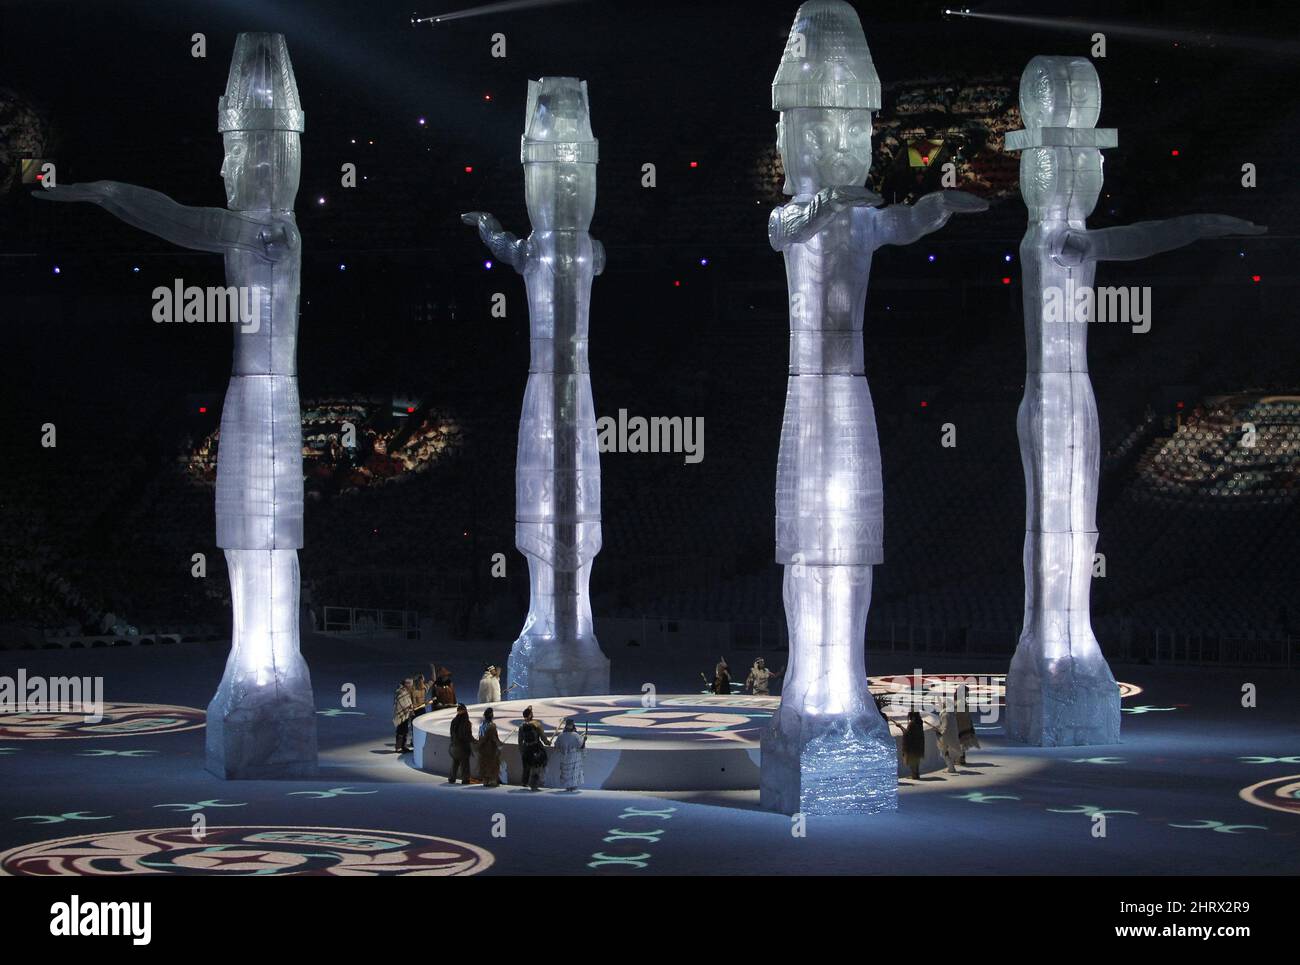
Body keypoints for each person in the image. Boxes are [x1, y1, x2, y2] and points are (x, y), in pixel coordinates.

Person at [518, 705, 551, 791]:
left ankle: (524, 783)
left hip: (526, 749)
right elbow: (543, 738)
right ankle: (534, 784)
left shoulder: (521, 726)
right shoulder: (536, 724)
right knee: (537, 766)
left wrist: (522, 751)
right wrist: (547, 742)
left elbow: (520, 741)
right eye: (531, 713)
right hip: (536, 748)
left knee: (526, 767)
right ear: (529, 715)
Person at [553, 718, 588, 792]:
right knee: (573, 774)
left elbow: (556, 746)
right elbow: (581, 746)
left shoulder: (561, 736)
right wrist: (584, 740)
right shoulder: (575, 735)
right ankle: (572, 789)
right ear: (572, 726)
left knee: (566, 774)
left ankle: (568, 788)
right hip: (574, 757)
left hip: (564, 758)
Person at [448, 703, 476, 784]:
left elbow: (451, 733)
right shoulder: (466, 723)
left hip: (453, 747)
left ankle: (452, 778)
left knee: (455, 763)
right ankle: (465, 779)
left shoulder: (454, 721)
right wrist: (476, 741)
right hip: (462, 748)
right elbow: (468, 736)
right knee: (465, 765)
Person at [476, 706, 504, 788]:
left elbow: (480, 737)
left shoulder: (481, 725)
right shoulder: (492, 726)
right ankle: (492, 781)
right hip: (490, 749)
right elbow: (494, 738)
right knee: (492, 764)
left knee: (484, 764)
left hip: (482, 748)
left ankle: (485, 780)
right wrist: (500, 744)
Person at [937, 707, 963, 774]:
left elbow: (945, 727)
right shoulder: (952, 714)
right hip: (953, 735)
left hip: (946, 736)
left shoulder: (945, 715)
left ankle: (951, 768)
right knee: (950, 751)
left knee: (944, 752)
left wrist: (939, 731)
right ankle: (951, 767)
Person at [392, 677, 415, 753]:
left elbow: (408, 702)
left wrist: (410, 707)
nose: (411, 686)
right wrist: (410, 707)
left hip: (406, 714)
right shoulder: (401, 692)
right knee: (401, 730)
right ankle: (398, 747)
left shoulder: (405, 691)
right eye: (411, 684)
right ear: (406, 684)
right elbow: (402, 703)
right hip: (402, 714)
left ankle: (403, 746)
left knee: (405, 730)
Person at [902, 710, 925, 780]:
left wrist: (900, 727)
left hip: (912, 746)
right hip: (919, 745)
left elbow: (907, 734)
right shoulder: (920, 722)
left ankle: (914, 775)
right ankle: (916, 774)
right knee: (916, 761)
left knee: (912, 762)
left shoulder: (912, 724)